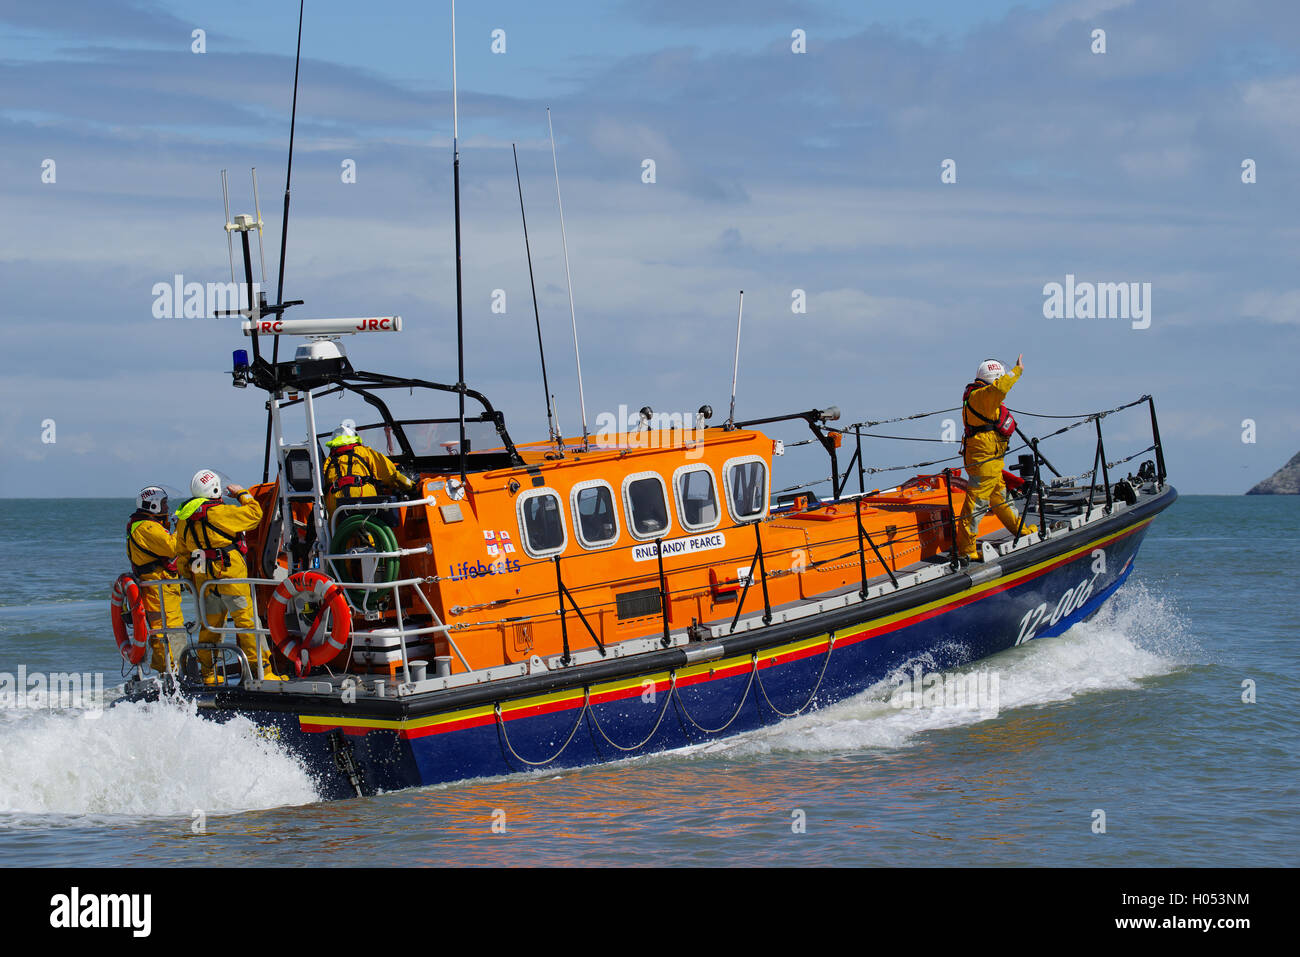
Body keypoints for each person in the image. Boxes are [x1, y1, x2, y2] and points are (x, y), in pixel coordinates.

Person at [175, 469, 283, 682]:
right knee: (248, 624)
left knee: (210, 627)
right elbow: (255, 515)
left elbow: (181, 554)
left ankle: (207, 673)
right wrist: (242, 494)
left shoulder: (184, 519)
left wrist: (189, 581)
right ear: (215, 489)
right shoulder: (221, 513)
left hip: (203, 579)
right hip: (231, 578)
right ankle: (263, 671)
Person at [956, 355, 1037, 561]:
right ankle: (967, 549)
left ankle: (1021, 530)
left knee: (1001, 499)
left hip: (989, 458)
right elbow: (1001, 388)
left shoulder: (977, 396)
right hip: (985, 459)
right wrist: (1017, 370)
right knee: (977, 503)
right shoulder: (984, 395)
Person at [126, 486, 186, 673]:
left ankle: (172, 669)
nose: (166, 508)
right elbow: (172, 546)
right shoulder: (147, 527)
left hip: (162, 586)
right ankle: (170, 671)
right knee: (166, 629)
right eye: (164, 504)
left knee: (169, 628)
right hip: (158, 588)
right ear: (152, 505)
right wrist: (182, 525)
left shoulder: (146, 525)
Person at [321, 423, 415, 522]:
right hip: (362, 498)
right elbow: (391, 475)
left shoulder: (328, 461)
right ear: (355, 438)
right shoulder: (364, 452)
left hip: (335, 502)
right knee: (369, 530)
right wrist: (411, 486)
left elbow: (321, 487)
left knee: (340, 533)